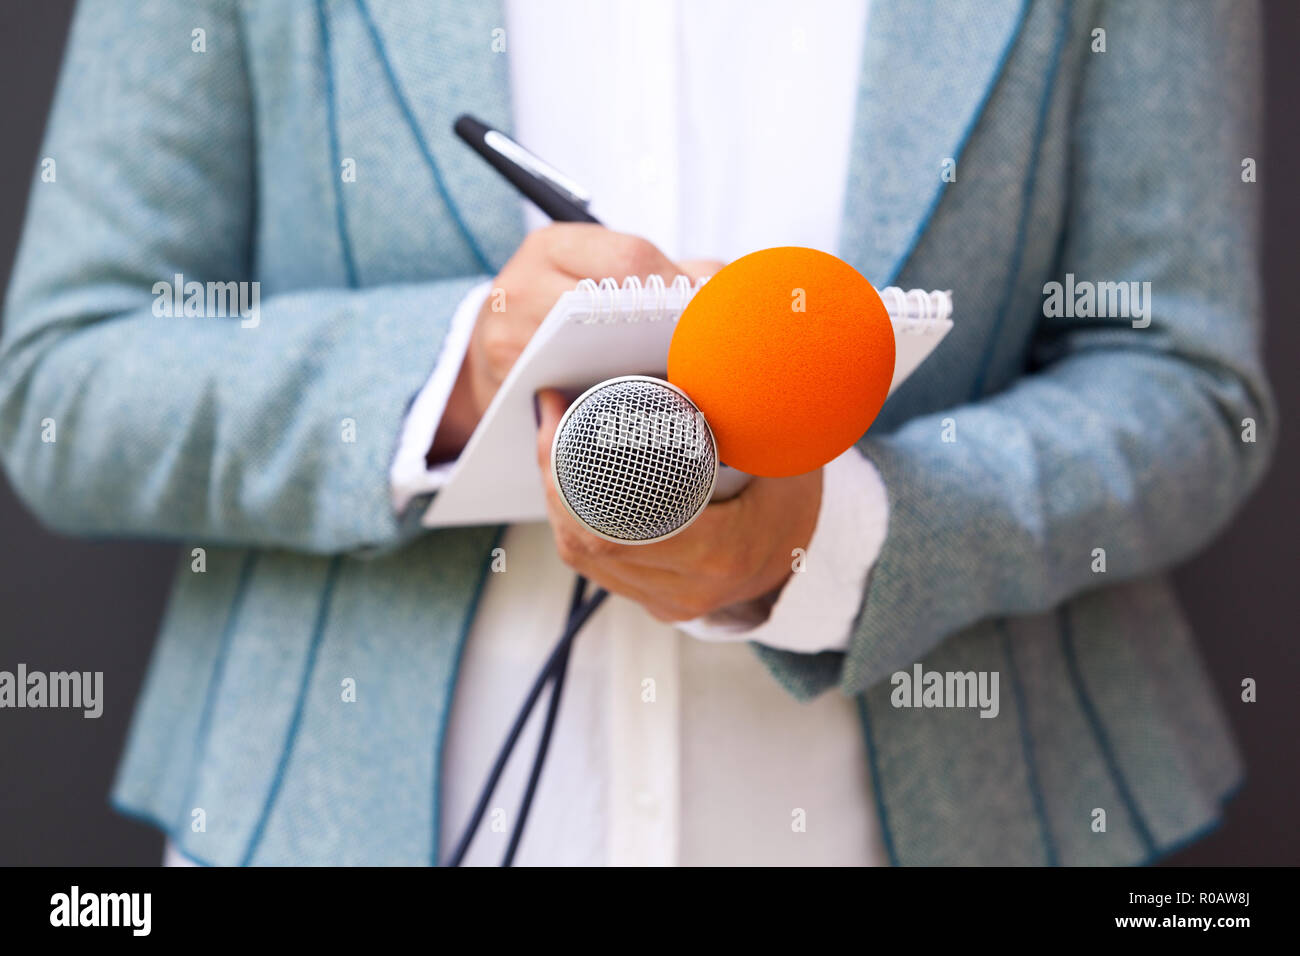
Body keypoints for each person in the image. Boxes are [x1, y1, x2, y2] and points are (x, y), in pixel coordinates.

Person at [0, 0, 1273, 866]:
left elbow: (1180, 382)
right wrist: (463, 366)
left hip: (992, 810)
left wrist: (846, 538)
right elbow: (67, 379)